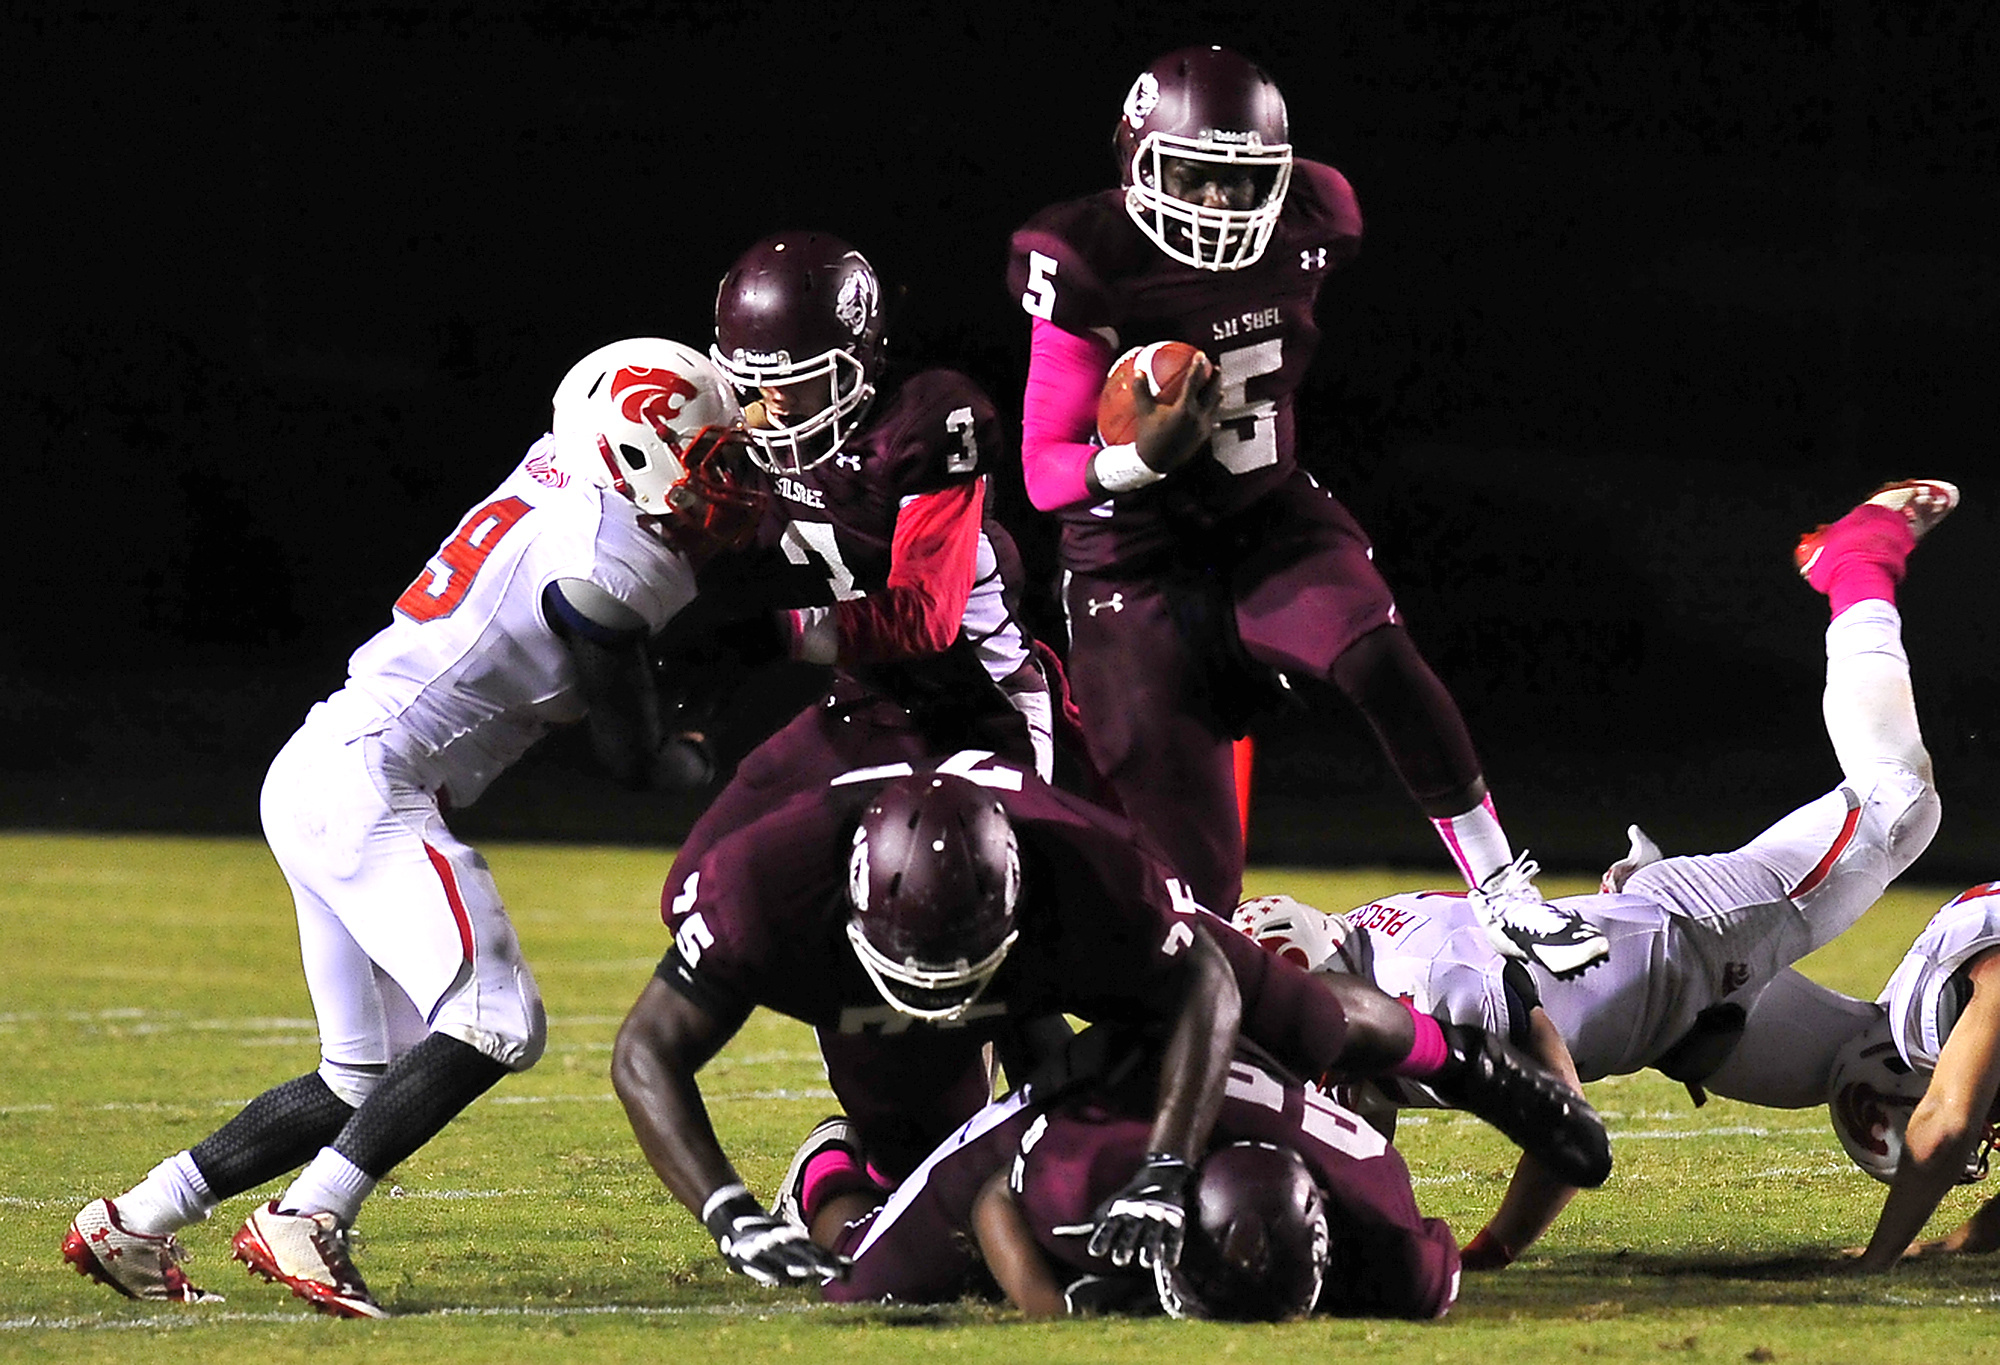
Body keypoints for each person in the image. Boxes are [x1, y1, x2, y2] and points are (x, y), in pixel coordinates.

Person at [61, 339, 767, 1316]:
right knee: (496, 1019)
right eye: (707, 462)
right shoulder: (611, 564)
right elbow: (636, 762)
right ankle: (306, 1219)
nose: (723, 485)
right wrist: (704, 739)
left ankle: (134, 1220)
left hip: (324, 764)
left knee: (362, 1077)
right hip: (371, 781)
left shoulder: (565, 470)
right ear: (635, 459)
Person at [1234, 478, 1956, 1269]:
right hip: (1675, 1023)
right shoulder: (1362, 974)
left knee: (1902, 805)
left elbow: (1567, 1124)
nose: (1302, 1034)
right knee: (1873, 1065)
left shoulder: (1437, 983)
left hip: (1699, 934)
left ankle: (1859, 564)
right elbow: (1358, 1137)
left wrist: (1492, 1248)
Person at [1003, 44, 1605, 977]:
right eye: (1197, 179)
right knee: (1197, 891)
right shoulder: (1088, 258)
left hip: (1262, 517)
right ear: (1137, 160)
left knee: (1375, 652)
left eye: (1244, 185)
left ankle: (1504, 890)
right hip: (1130, 566)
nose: (1219, 207)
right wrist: (1133, 458)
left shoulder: (1316, 220)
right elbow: (1044, 470)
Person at [610, 756, 1610, 1291]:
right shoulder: (759, 894)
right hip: (883, 960)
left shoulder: (1094, 883)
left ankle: (1470, 1064)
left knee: (1297, 1017)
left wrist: (1168, 1166)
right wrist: (724, 1208)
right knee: (911, 1184)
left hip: (1062, 918)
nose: (953, 995)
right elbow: (645, 1050)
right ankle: (832, 1164)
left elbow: (1209, 995)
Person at [793, 1033, 1459, 1320]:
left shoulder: (1386, 1225)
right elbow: (998, 1196)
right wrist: (1045, 1309)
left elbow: (1434, 1256)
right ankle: (830, 1164)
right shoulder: (1087, 1168)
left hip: (1214, 1074)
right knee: (855, 1276)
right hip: (1089, 1100)